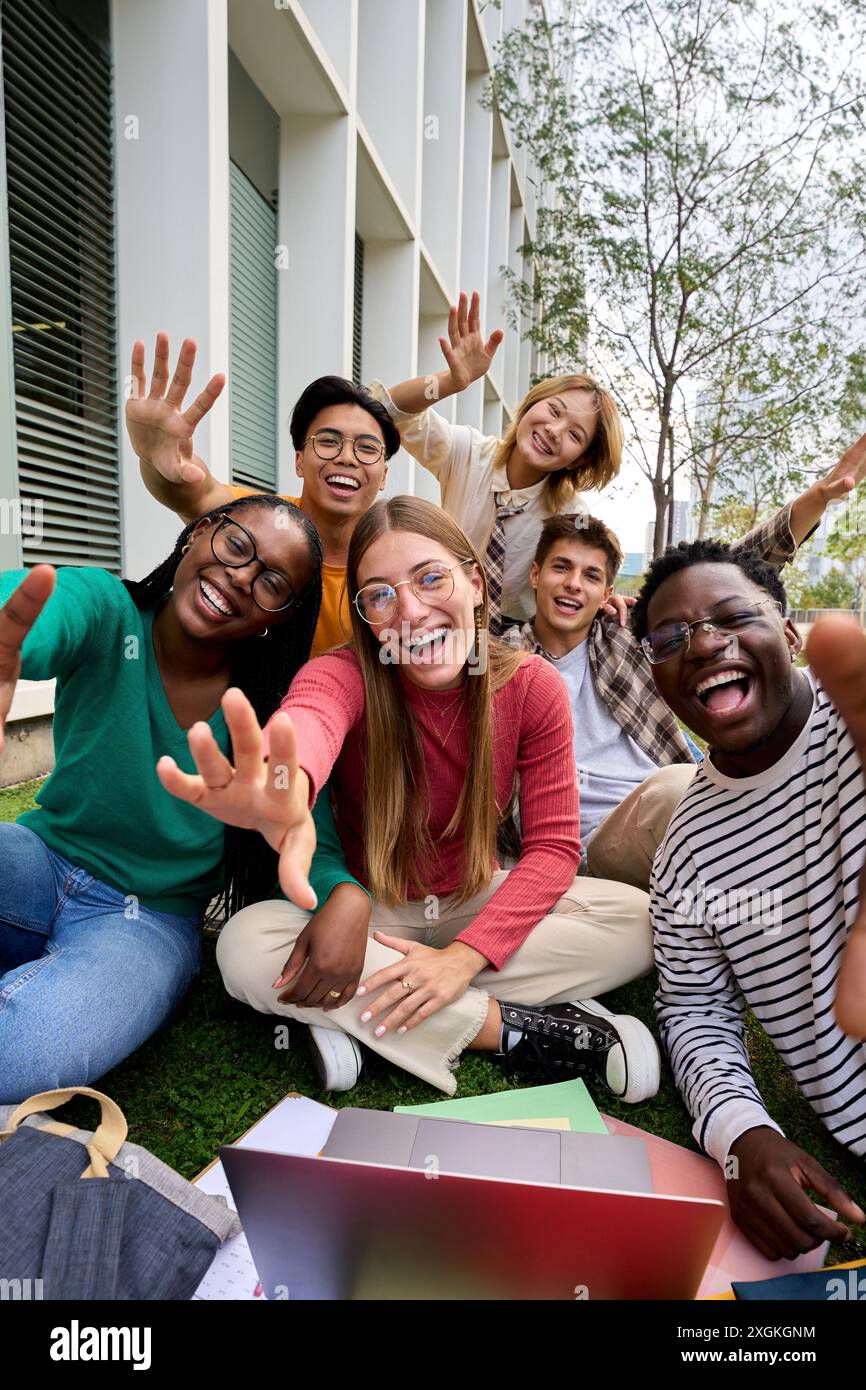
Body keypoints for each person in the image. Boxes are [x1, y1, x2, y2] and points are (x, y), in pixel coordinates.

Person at [158, 496, 661, 1099]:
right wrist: (286, 788)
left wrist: (464, 958)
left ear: (474, 582)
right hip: (371, 913)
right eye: (379, 595)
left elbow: (553, 850)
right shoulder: (340, 673)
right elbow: (309, 723)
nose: (412, 612)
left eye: (430, 578)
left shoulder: (533, 686)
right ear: (365, 614)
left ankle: (356, 1013)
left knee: (640, 923)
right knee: (245, 945)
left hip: (473, 899)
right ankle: (521, 1031)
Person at [0, 487, 348, 1105]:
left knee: (24, 1056)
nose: (240, 578)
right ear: (195, 535)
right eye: (235, 544)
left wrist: (346, 896)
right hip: (33, 861)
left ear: (280, 618)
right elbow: (43, 611)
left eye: (271, 583)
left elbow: (300, 827)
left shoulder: (268, 712)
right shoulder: (111, 613)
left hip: (143, 921)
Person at [630, 534, 866, 1260]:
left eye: (732, 616)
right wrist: (742, 1133)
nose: (703, 644)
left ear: (790, 632)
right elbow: (695, 1009)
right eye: (671, 638)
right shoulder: (686, 853)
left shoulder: (857, 730)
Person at [502, 449, 863, 890]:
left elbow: (727, 576)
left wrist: (817, 501)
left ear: (606, 591)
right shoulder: (503, 658)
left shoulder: (628, 636)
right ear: (536, 575)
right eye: (562, 568)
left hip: (669, 811)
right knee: (684, 792)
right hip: (586, 846)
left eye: (591, 576)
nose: (575, 583)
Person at [125, 336, 401, 656]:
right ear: (300, 460)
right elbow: (190, 491)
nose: (347, 458)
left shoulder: (392, 562)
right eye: (328, 441)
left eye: (367, 448)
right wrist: (156, 458)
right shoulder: (262, 522)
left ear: (383, 476)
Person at [369, 291, 624, 633]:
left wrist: (606, 599)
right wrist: (450, 382)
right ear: (532, 403)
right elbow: (390, 412)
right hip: (437, 616)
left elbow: (581, 573)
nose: (554, 430)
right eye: (554, 410)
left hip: (511, 636)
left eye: (575, 435)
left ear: (580, 460)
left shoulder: (570, 515)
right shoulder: (467, 452)